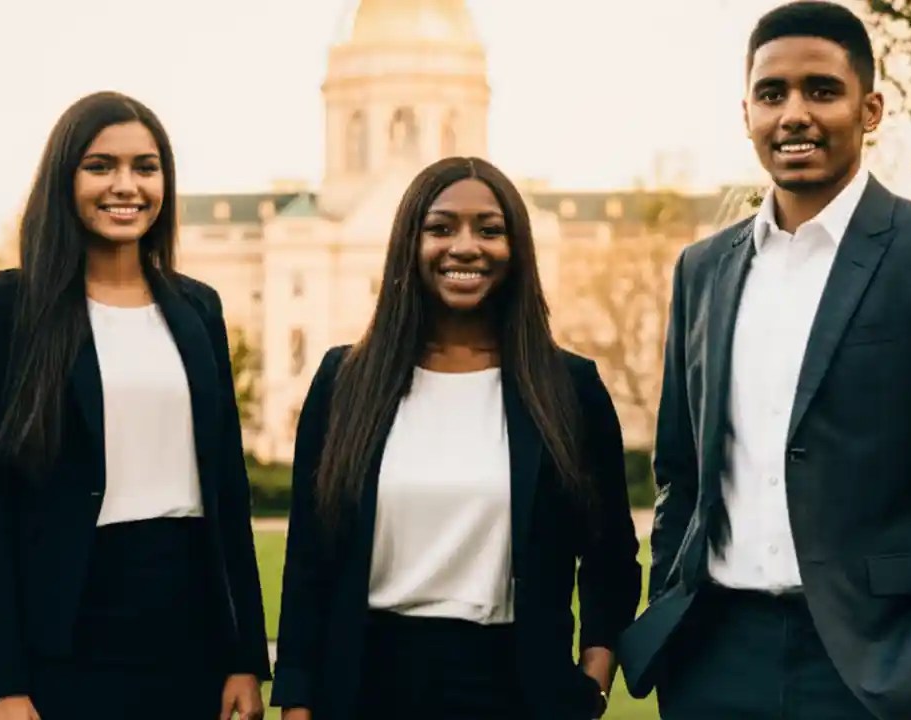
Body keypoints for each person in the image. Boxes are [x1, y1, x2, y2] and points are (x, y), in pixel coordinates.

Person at [617, 3, 911, 719]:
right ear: (747, 112)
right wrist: (671, 607)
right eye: (771, 93)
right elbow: (682, 473)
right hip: (715, 663)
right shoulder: (703, 269)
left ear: (869, 108)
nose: (794, 114)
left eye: (822, 90)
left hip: (881, 670)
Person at [270, 156, 641, 720]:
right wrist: (297, 699)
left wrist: (591, 681)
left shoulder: (569, 387)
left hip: (514, 686)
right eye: (440, 228)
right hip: (367, 683)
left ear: (517, 248)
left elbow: (609, 556)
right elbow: (309, 561)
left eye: (490, 230)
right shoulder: (343, 382)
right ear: (408, 244)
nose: (465, 247)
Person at [0, 91, 269, 720]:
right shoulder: (8, 310)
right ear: (63, 179)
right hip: (69, 629)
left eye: (145, 167)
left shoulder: (198, 309)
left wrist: (245, 657)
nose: (126, 185)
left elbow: (227, 493)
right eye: (101, 166)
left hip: (188, 627)